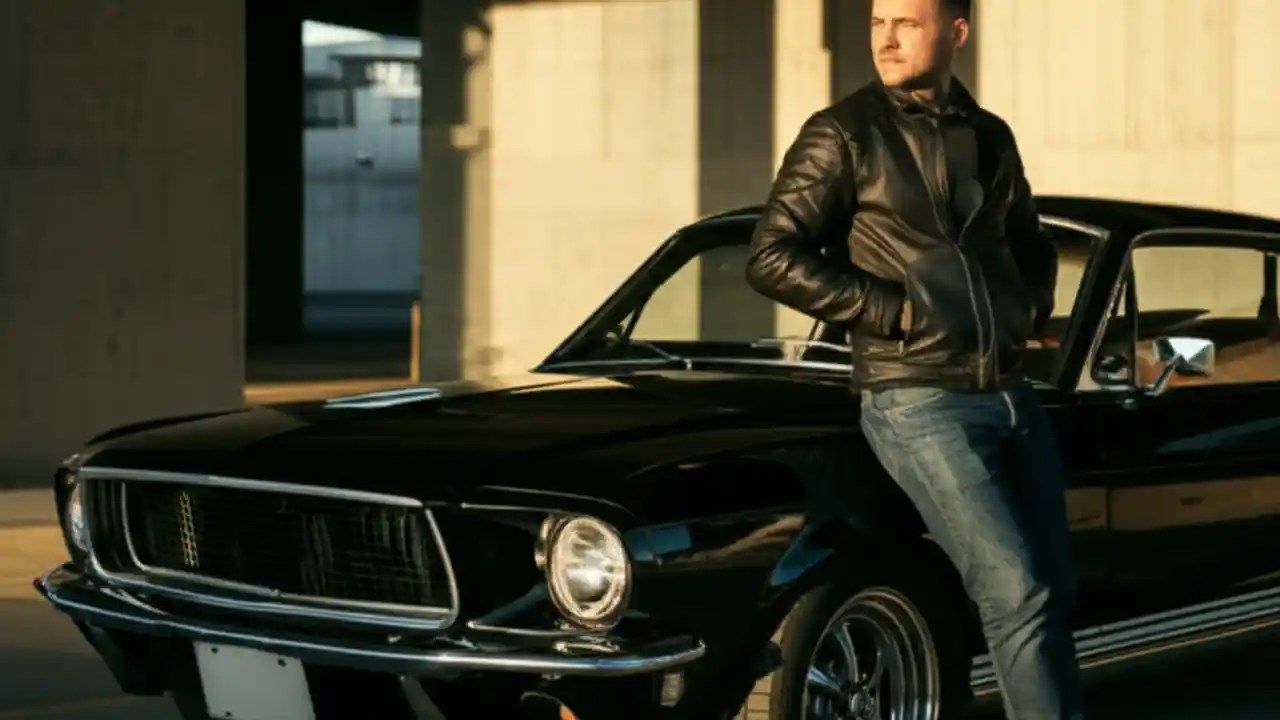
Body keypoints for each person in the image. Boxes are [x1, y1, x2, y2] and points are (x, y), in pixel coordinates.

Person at [743, 0, 1086, 718]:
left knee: (1051, 596)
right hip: (918, 399)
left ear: (955, 31)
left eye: (907, 21)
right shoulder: (842, 134)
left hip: (1011, 398)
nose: (886, 37)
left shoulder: (990, 136)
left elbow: (1031, 241)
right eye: (877, 22)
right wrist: (889, 310)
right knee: (1015, 593)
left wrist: (1027, 310)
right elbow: (772, 255)